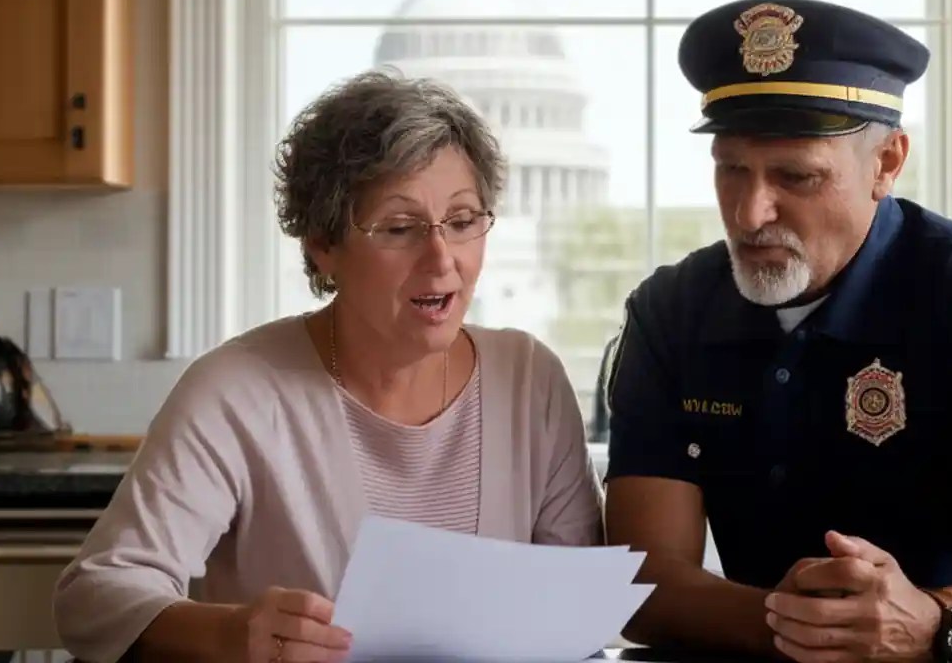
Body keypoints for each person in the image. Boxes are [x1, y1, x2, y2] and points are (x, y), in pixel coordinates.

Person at [602, 0, 952, 663]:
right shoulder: (670, 312)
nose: (751, 213)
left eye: (796, 176)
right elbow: (640, 582)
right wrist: (816, 631)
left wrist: (930, 624)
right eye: (730, 169)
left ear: (887, 163)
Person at [53, 70, 605, 663]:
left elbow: (576, 609)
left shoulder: (530, 379)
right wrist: (230, 634)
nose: (442, 259)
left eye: (464, 220)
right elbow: (93, 597)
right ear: (323, 244)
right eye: (399, 228)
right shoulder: (238, 391)